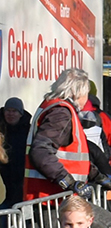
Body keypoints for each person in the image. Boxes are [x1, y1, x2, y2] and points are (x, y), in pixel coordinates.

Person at [24, 69, 97, 201]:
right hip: (52, 198)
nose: (86, 99)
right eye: (86, 93)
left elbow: (69, 157)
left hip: (52, 197)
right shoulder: (61, 113)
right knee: (107, 221)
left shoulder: (53, 106)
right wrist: (68, 182)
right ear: (78, 92)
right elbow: (41, 152)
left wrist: (97, 176)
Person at [2, 97, 31, 206]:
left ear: (20, 113)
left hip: (21, 179)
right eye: (8, 111)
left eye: (14, 111)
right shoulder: (1, 129)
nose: (10, 114)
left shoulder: (28, 131)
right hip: (4, 178)